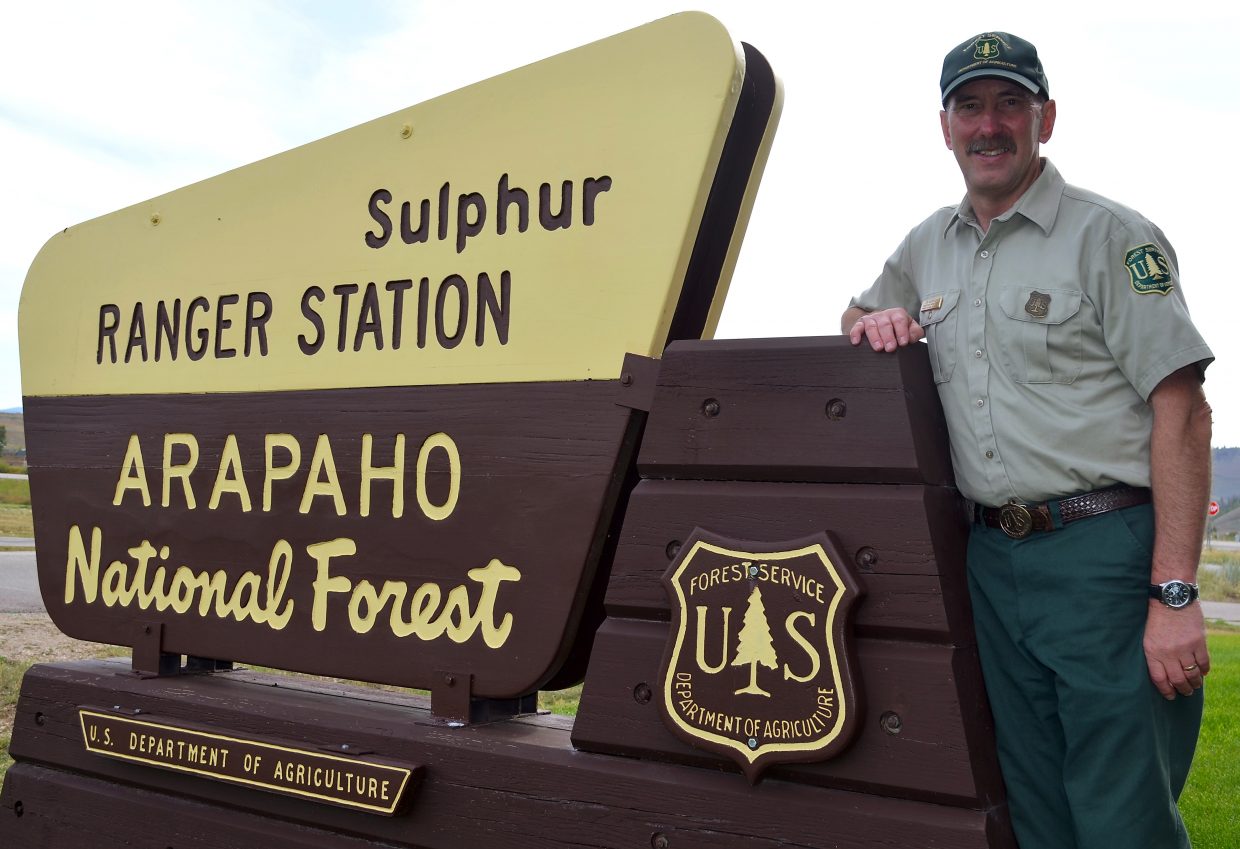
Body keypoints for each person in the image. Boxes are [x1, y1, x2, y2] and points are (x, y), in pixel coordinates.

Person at [841, 32, 1214, 849]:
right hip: (992, 565)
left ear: (1046, 117)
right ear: (944, 127)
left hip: (1105, 556)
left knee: (1123, 819)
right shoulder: (925, 246)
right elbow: (854, 314)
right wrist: (877, 319)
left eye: (1011, 103)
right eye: (970, 106)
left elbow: (1183, 411)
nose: (990, 125)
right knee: (1032, 813)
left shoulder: (1112, 236)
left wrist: (1174, 595)